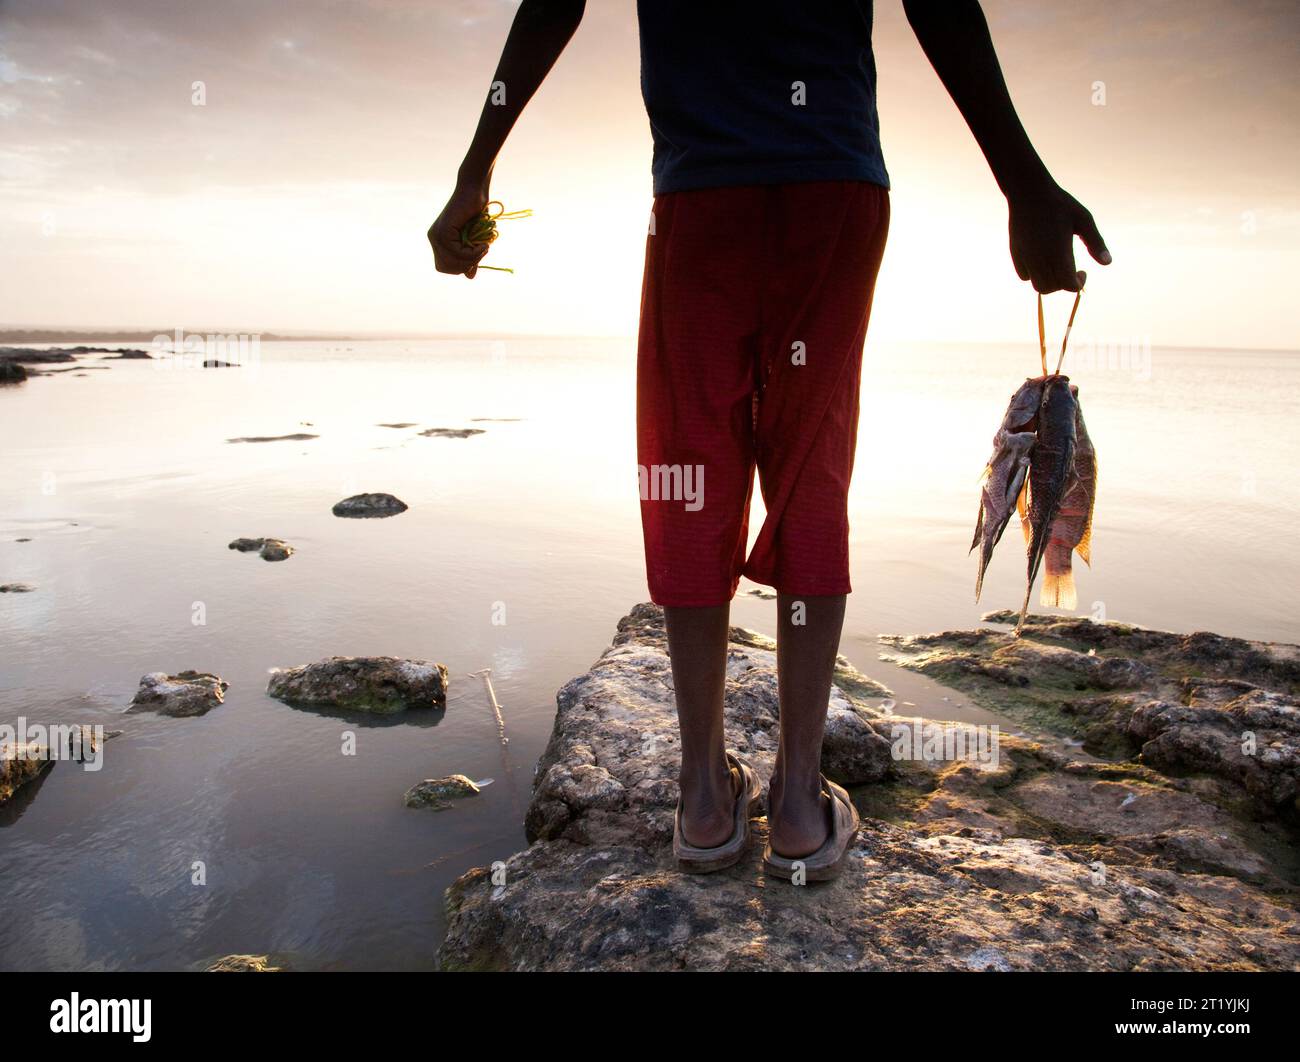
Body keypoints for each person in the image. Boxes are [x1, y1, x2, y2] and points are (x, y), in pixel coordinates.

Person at [429, 0, 1110, 880]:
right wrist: (1022, 180)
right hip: (832, 183)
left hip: (701, 188)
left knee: (686, 472)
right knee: (812, 473)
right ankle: (796, 804)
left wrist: (478, 164)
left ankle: (707, 804)